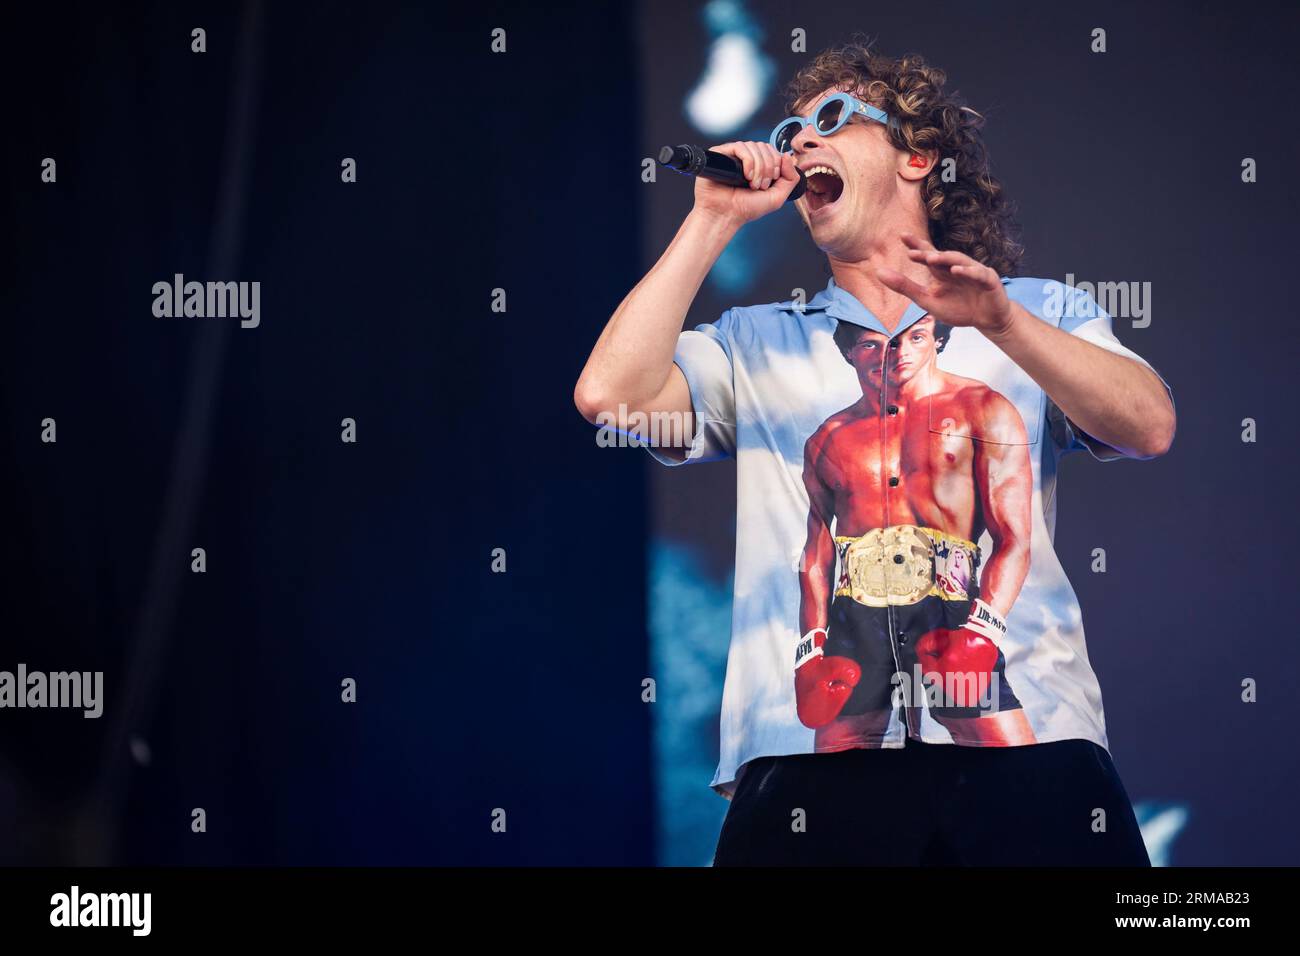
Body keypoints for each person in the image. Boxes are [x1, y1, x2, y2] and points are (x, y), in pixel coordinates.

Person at [575, 42, 1175, 866]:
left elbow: (1148, 427)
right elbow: (611, 398)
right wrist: (711, 218)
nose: (800, 144)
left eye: (831, 120)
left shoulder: (1034, 313)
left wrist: (1002, 324)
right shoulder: (759, 342)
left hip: (1023, 740)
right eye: (791, 130)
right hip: (811, 749)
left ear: (918, 157)